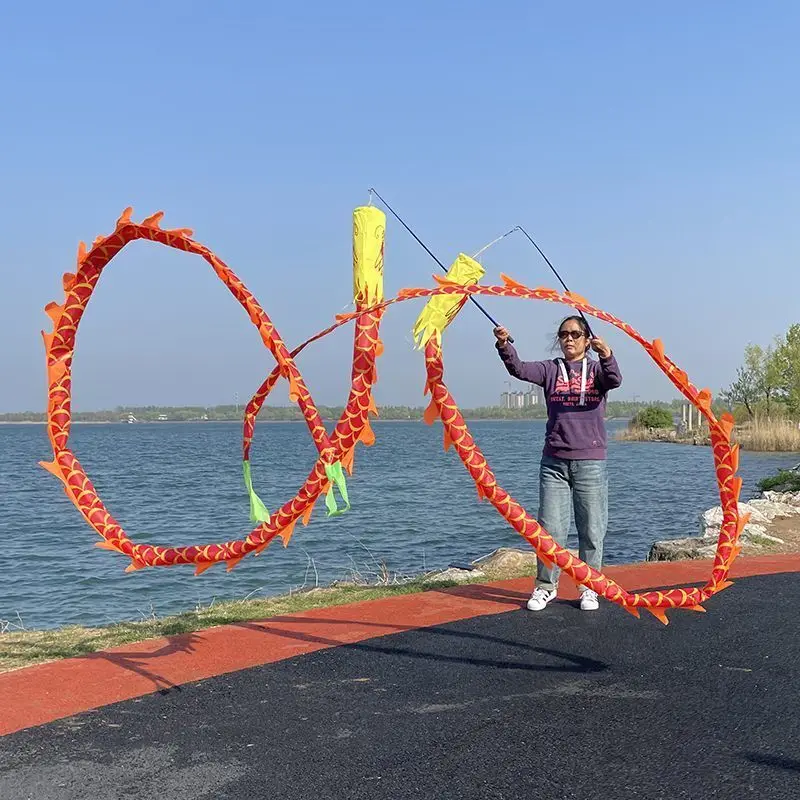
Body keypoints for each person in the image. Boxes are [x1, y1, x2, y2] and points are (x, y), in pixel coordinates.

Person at [494, 315, 622, 612]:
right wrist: (503, 344)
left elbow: (614, 379)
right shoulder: (551, 369)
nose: (569, 339)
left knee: (591, 529)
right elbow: (520, 369)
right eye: (564, 334)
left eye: (576, 334)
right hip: (553, 462)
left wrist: (607, 354)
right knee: (550, 530)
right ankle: (545, 587)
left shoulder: (597, 371)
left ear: (587, 339)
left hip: (590, 461)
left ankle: (589, 587)